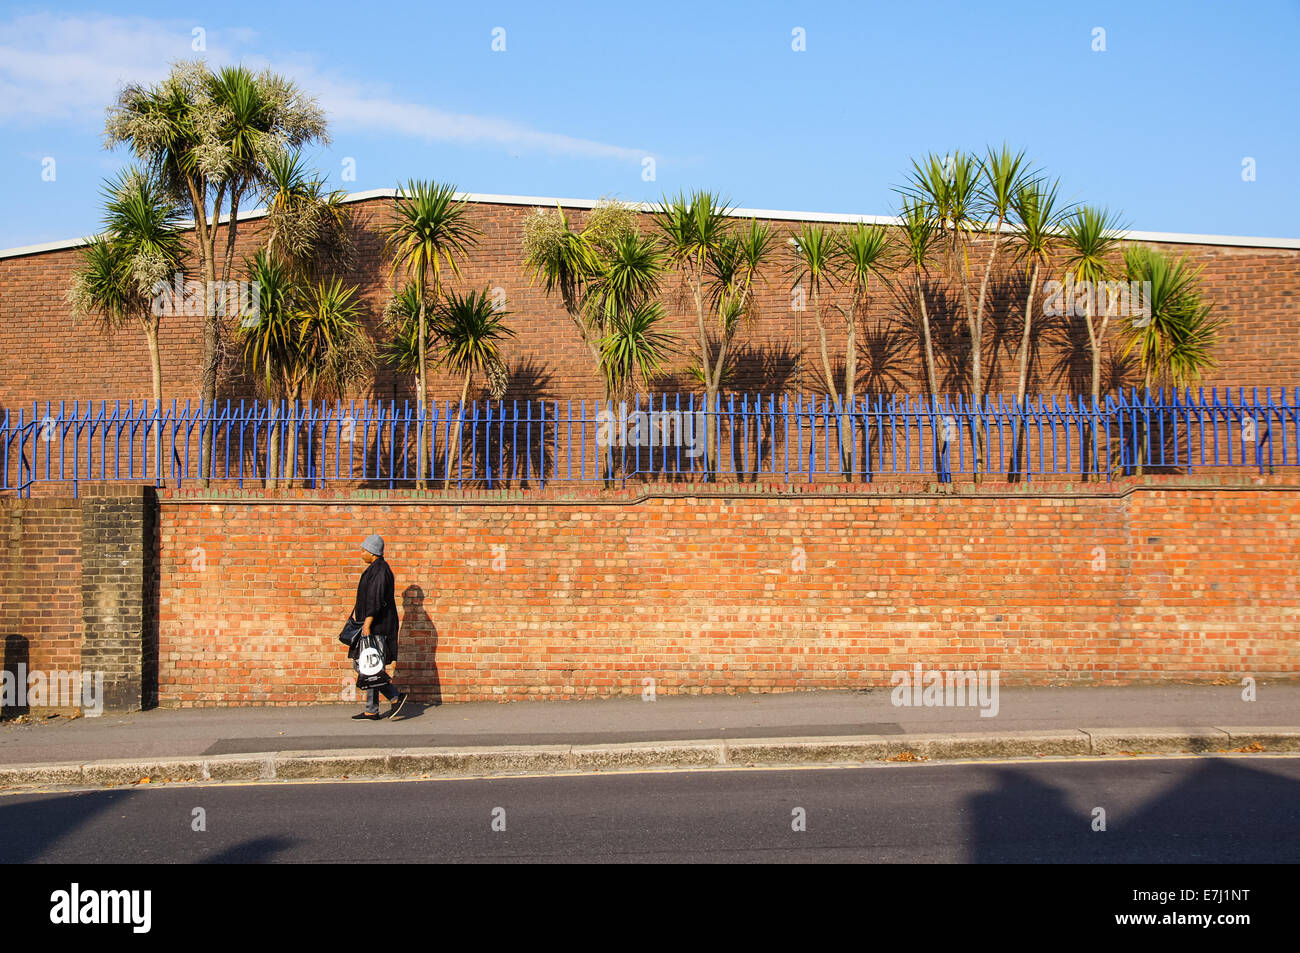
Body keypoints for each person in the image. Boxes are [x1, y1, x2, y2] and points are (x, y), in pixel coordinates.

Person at [348, 534, 408, 720]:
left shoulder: (380, 571)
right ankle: (371, 710)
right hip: (375, 625)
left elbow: (375, 600)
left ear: (373, 553)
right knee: (370, 664)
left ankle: (395, 695)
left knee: (366, 666)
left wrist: (367, 624)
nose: (361, 553)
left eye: (364, 550)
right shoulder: (376, 568)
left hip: (377, 627)